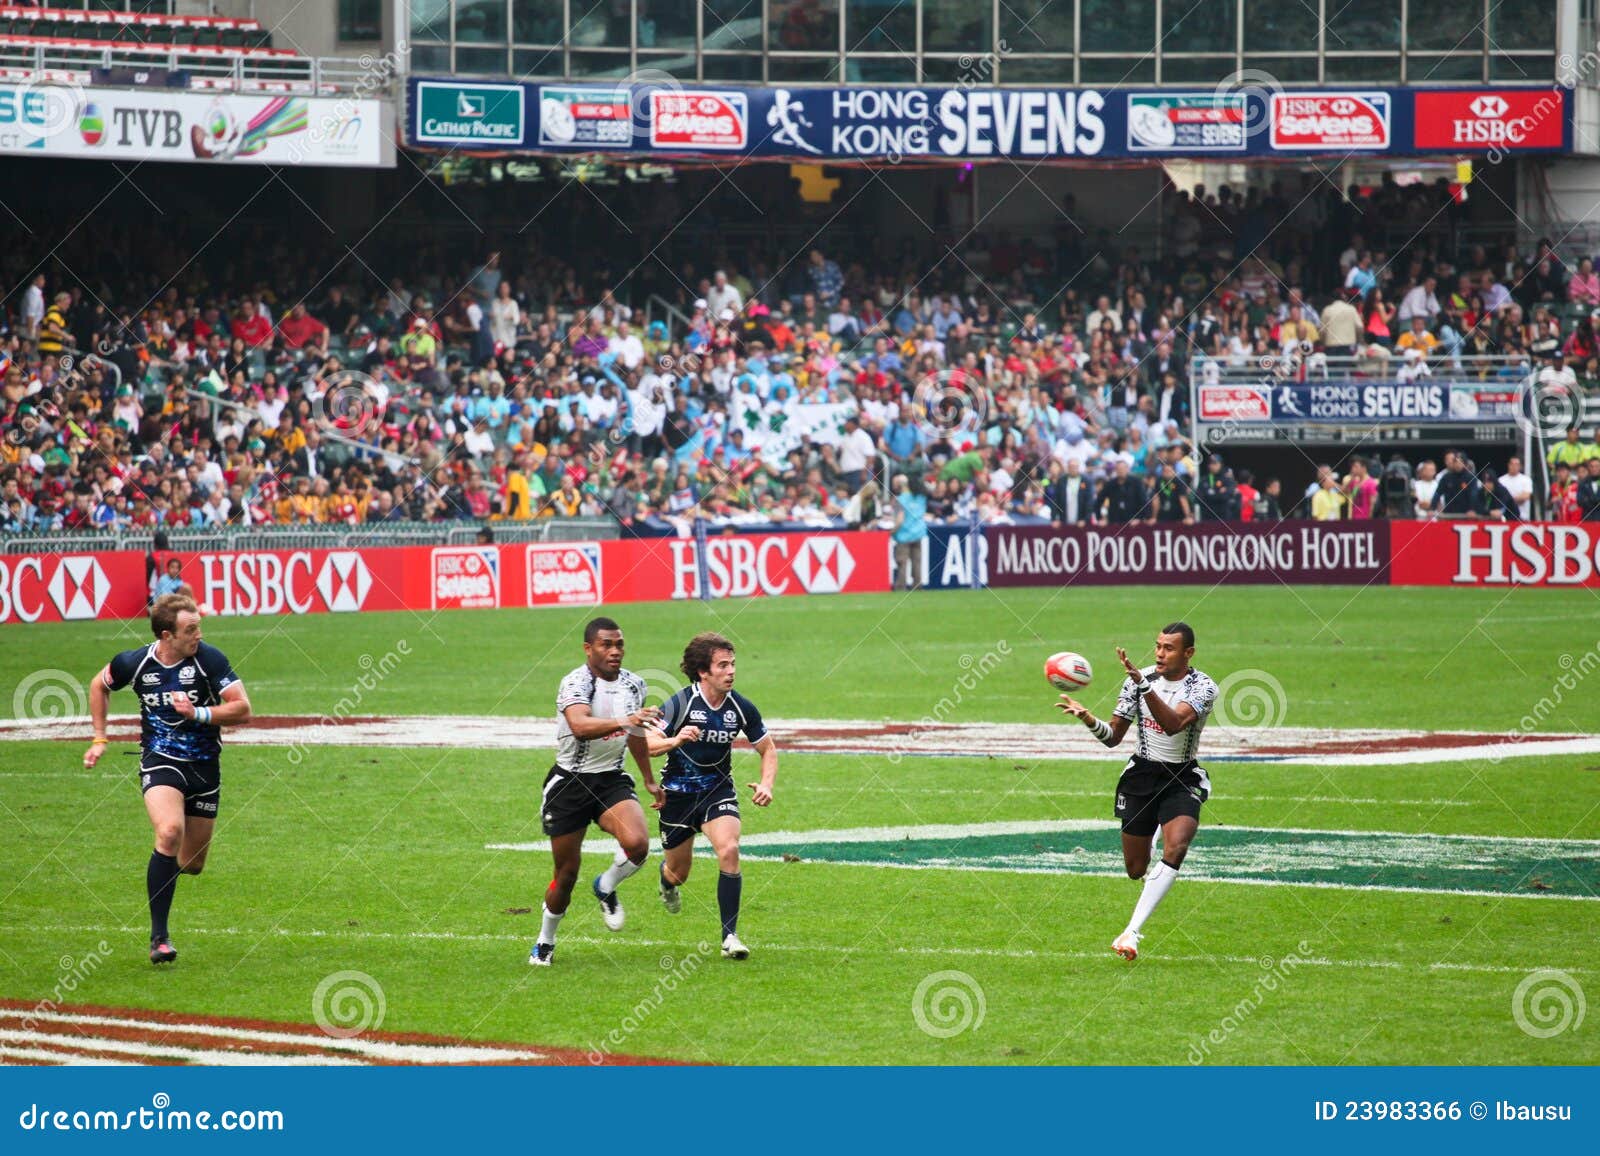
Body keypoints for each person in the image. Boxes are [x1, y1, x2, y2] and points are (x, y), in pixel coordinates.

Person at [84, 594, 252, 963]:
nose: (198, 635)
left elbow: (243, 708)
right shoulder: (135, 662)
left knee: (192, 864)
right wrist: (100, 738)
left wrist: (198, 713)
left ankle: (163, 874)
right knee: (169, 833)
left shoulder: (210, 659)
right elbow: (99, 685)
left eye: (199, 627)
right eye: (190, 630)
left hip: (205, 766)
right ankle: (159, 939)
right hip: (160, 761)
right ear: (166, 635)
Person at [1055, 623, 1218, 961]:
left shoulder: (1203, 687)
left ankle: (1131, 932)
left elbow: (1174, 725)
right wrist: (1088, 719)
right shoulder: (1139, 680)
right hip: (1142, 776)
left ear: (1188, 653)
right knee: (1135, 868)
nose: (1160, 653)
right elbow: (1113, 737)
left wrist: (1143, 685)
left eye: (1169, 648)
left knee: (1178, 846)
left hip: (1182, 777)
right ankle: (1157, 825)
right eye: (1158, 645)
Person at [530, 617, 662, 967]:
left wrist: (648, 778)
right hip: (569, 784)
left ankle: (605, 885)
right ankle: (545, 940)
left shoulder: (635, 684)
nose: (614, 651)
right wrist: (626, 721)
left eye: (619, 644)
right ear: (588, 649)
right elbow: (579, 727)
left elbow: (636, 737)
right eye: (606, 644)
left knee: (638, 845)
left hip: (610, 780)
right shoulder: (575, 682)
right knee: (566, 875)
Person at [649, 632, 778, 960]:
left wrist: (766, 784)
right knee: (679, 871)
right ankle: (667, 882)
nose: (731, 671)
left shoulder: (741, 706)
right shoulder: (681, 703)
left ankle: (729, 936)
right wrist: (676, 740)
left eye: (733, 664)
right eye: (722, 665)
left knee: (729, 849)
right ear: (703, 672)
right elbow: (647, 745)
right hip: (677, 796)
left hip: (717, 791)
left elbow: (768, 749)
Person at [891, 473, 927, 591]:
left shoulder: (900, 499)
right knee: (917, 561)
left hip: (904, 534)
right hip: (918, 533)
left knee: (902, 562)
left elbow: (900, 519)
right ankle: (917, 585)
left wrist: (892, 531)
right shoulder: (921, 498)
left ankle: (901, 586)